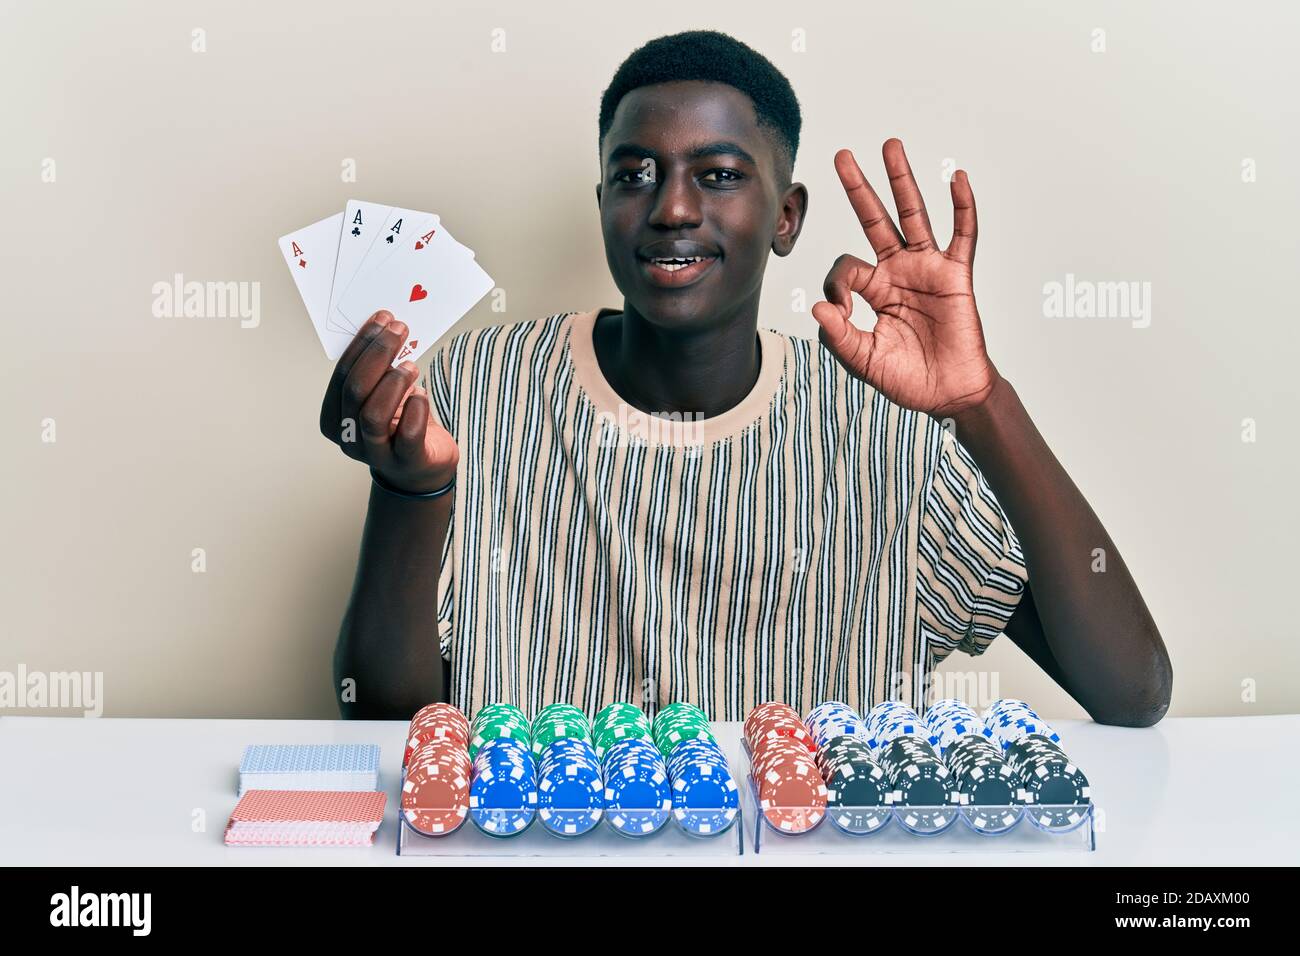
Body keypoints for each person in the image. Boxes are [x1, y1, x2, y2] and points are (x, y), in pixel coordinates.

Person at [322, 30, 1171, 725]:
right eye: (634, 174)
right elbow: (382, 716)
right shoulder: (482, 385)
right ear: (603, 207)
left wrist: (983, 405)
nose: (673, 208)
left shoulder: (884, 427)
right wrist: (409, 494)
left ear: (787, 216)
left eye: (720, 175)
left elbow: (1132, 690)